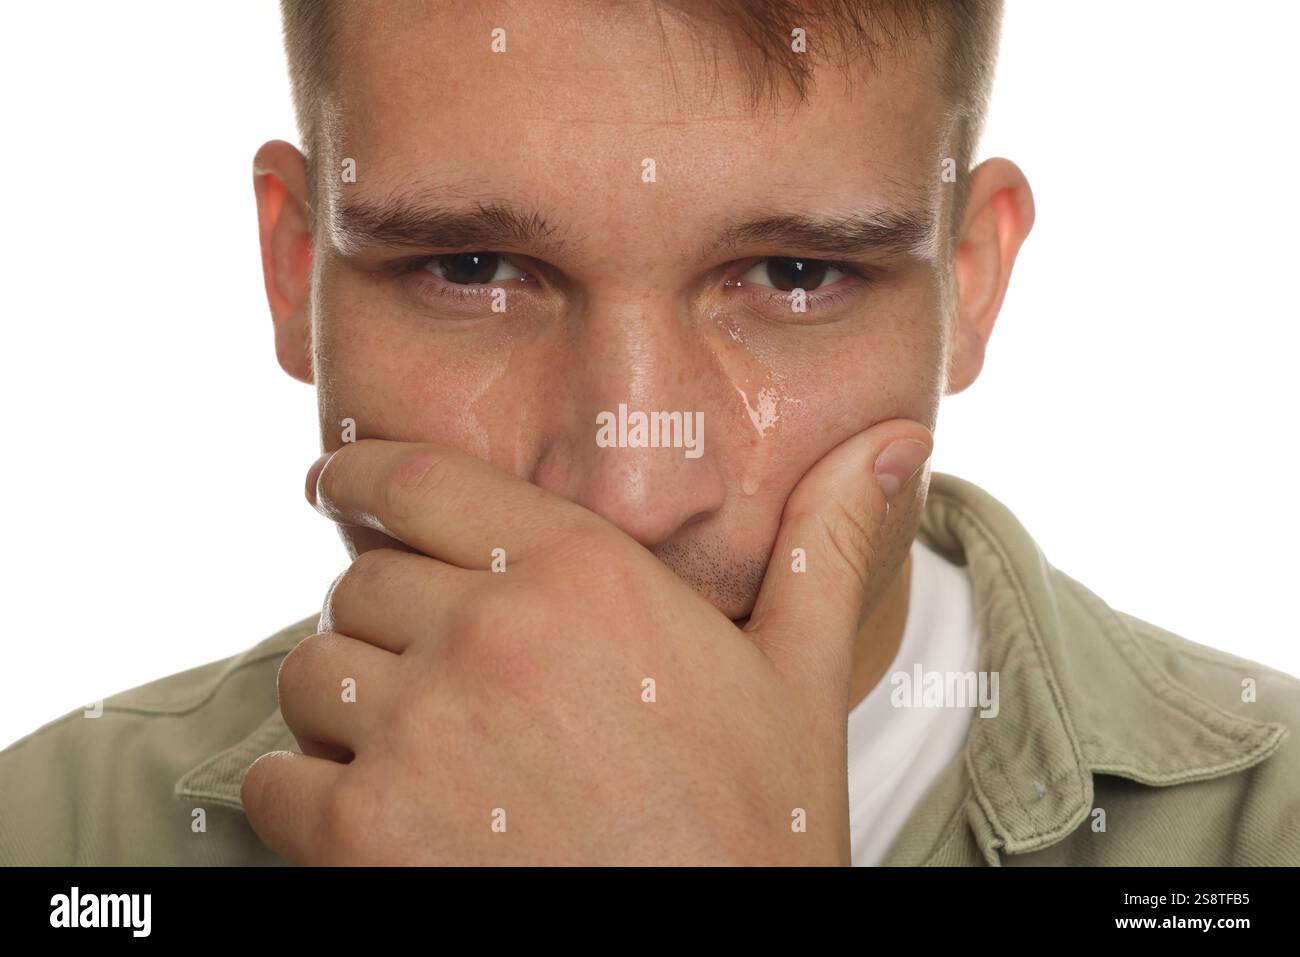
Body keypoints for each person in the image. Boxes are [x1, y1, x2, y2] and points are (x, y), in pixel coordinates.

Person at [2, 0, 1296, 866]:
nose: (625, 494)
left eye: (792, 276)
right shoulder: (58, 840)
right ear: (295, 273)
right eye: (471, 264)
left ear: (973, 284)